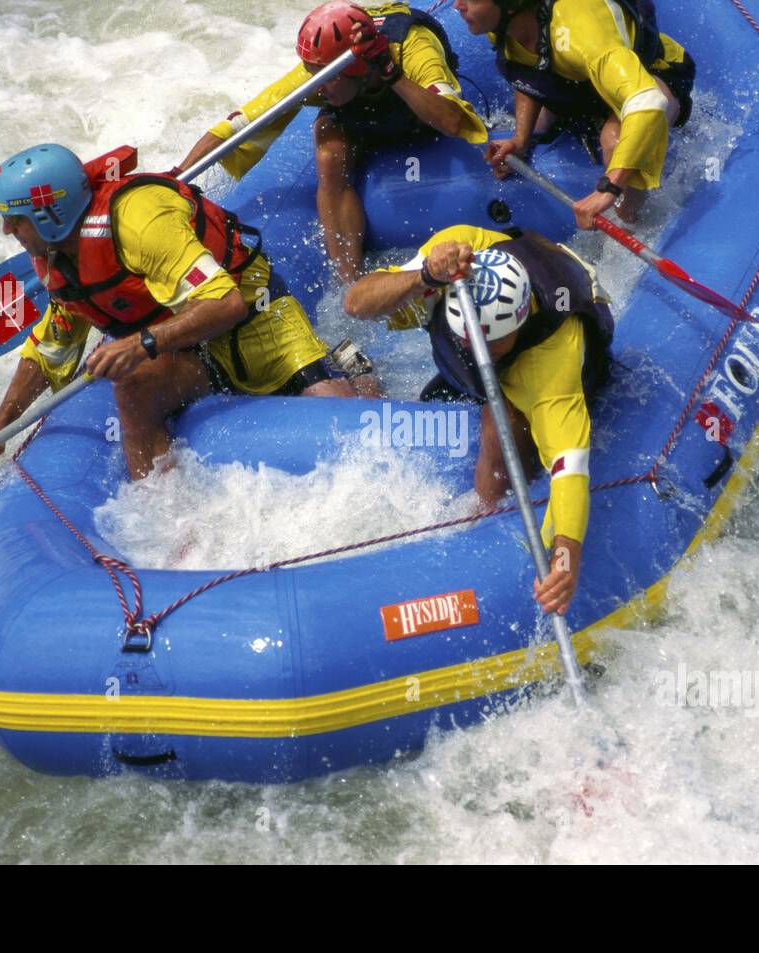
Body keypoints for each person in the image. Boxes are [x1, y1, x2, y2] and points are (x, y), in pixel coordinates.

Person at [0, 142, 361, 481]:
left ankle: (351, 368)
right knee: (131, 381)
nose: (7, 231)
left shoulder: (142, 221)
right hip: (182, 346)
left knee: (337, 411)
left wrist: (141, 343)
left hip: (252, 318)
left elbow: (226, 303)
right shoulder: (54, 256)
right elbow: (52, 351)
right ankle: (164, 514)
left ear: (50, 214)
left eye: (15, 220)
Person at [344, 224, 614, 614]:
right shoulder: (453, 259)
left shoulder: (554, 364)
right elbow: (355, 303)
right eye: (471, 340)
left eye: (490, 342)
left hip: (560, 341)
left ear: (516, 321)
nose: (478, 349)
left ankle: (483, 517)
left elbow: (570, 467)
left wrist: (566, 559)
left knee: (500, 432)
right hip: (474, 311)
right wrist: (424, 276)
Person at [174, 2, 488, 284]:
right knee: (327, 148)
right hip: (362, 113)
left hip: (414, 111)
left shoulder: (413, 47)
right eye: (312, 74)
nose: (317, 87)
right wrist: (176, 177)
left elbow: (451, 121)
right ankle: (350, 278)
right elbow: (238, 125)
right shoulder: (322, 72)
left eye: (323, 77)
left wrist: (392, 75)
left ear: (357, 69)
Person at [453, 0, 694, 228]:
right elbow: (525, 70)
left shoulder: (581, 30)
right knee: (538, 125)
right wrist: (520, 139)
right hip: (581, 82)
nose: (457, 5)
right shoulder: (502, 21)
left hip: (651, 73)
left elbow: (648, 101)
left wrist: (609, 188)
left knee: (614, 140)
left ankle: (631, 220)